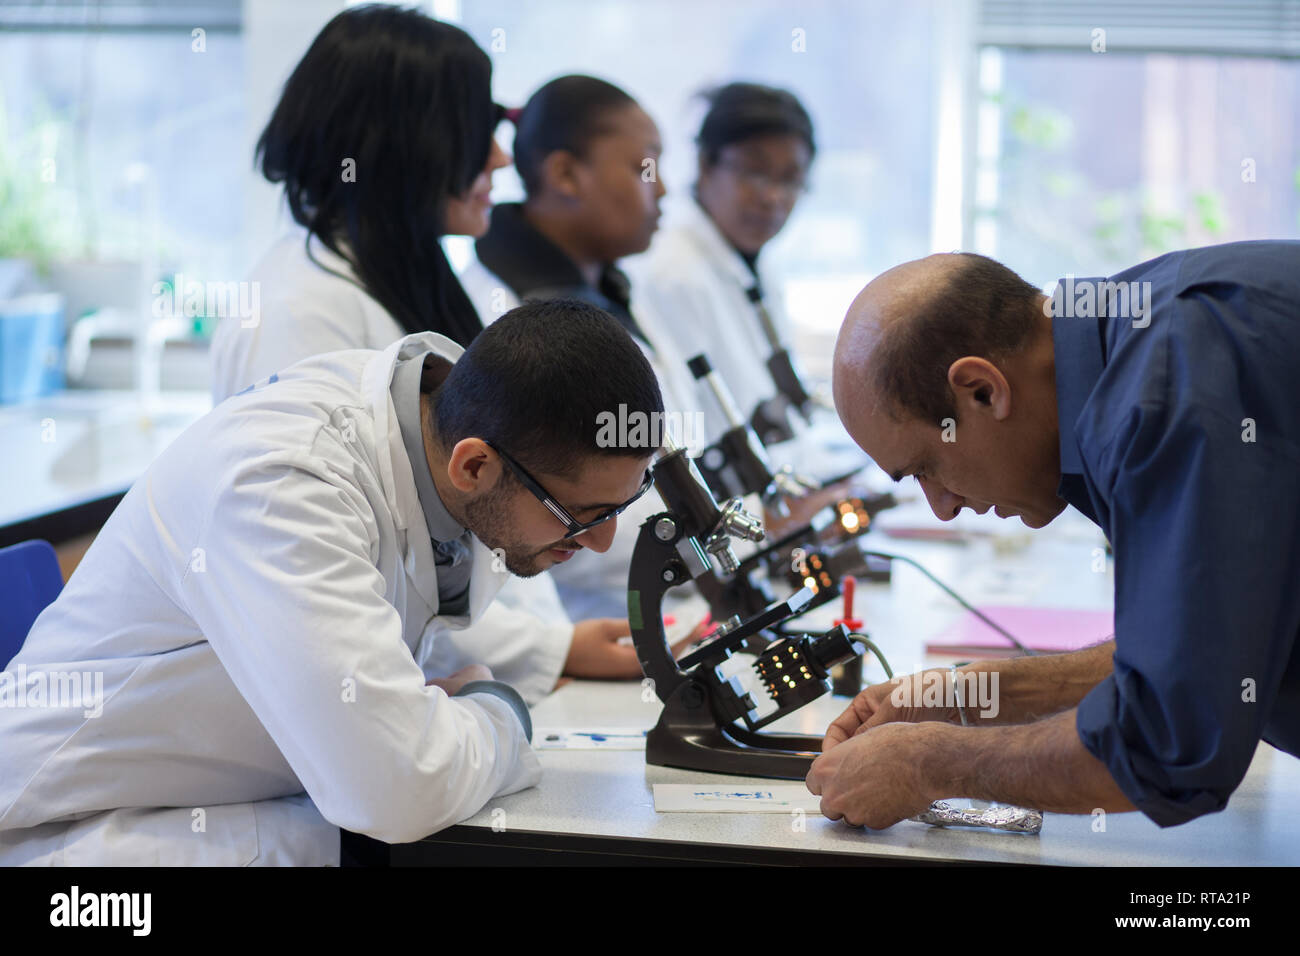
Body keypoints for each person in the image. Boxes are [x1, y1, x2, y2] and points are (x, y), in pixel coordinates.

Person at [0, 301, 663, 865]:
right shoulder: (284, 483)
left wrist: (548, 652)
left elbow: (393, 611)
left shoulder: (433, 428)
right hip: (84, 836)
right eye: (583, 516)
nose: (603, 541)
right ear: (475, 466)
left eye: (619, 510)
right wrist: (498, 713)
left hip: (244, 797)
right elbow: (399, 786)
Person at [207, 7, 648, 692]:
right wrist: (546, 650)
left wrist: (546, 644)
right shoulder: (299, 306)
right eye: (476, 134)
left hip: (449, 670)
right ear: (403, 145)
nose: (501, 157)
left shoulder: (406, 278)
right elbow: (330, 563)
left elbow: (481, 501)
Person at [809, 241, 1300, 830]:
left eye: (924, 468)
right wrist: (969, 695)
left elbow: (1168, 743)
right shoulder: (1142, 343)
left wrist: (927, 762)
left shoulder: (1170, 384)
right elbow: (1205, 649)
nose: (940, 508)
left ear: (982, 390)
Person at [459, 75, 701, 621]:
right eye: (645, 167)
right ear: (565, 173)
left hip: (668, 600)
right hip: (586, 620)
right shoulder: (497, 320)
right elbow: (544, 507)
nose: (661, 190)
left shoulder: (615, 292)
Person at [629, 82, 863, 482]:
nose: (773, 197)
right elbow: (697, 437)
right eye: (755, 173)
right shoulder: (673, 274)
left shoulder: (753, 266)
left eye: (791, 180)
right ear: (706, 164)